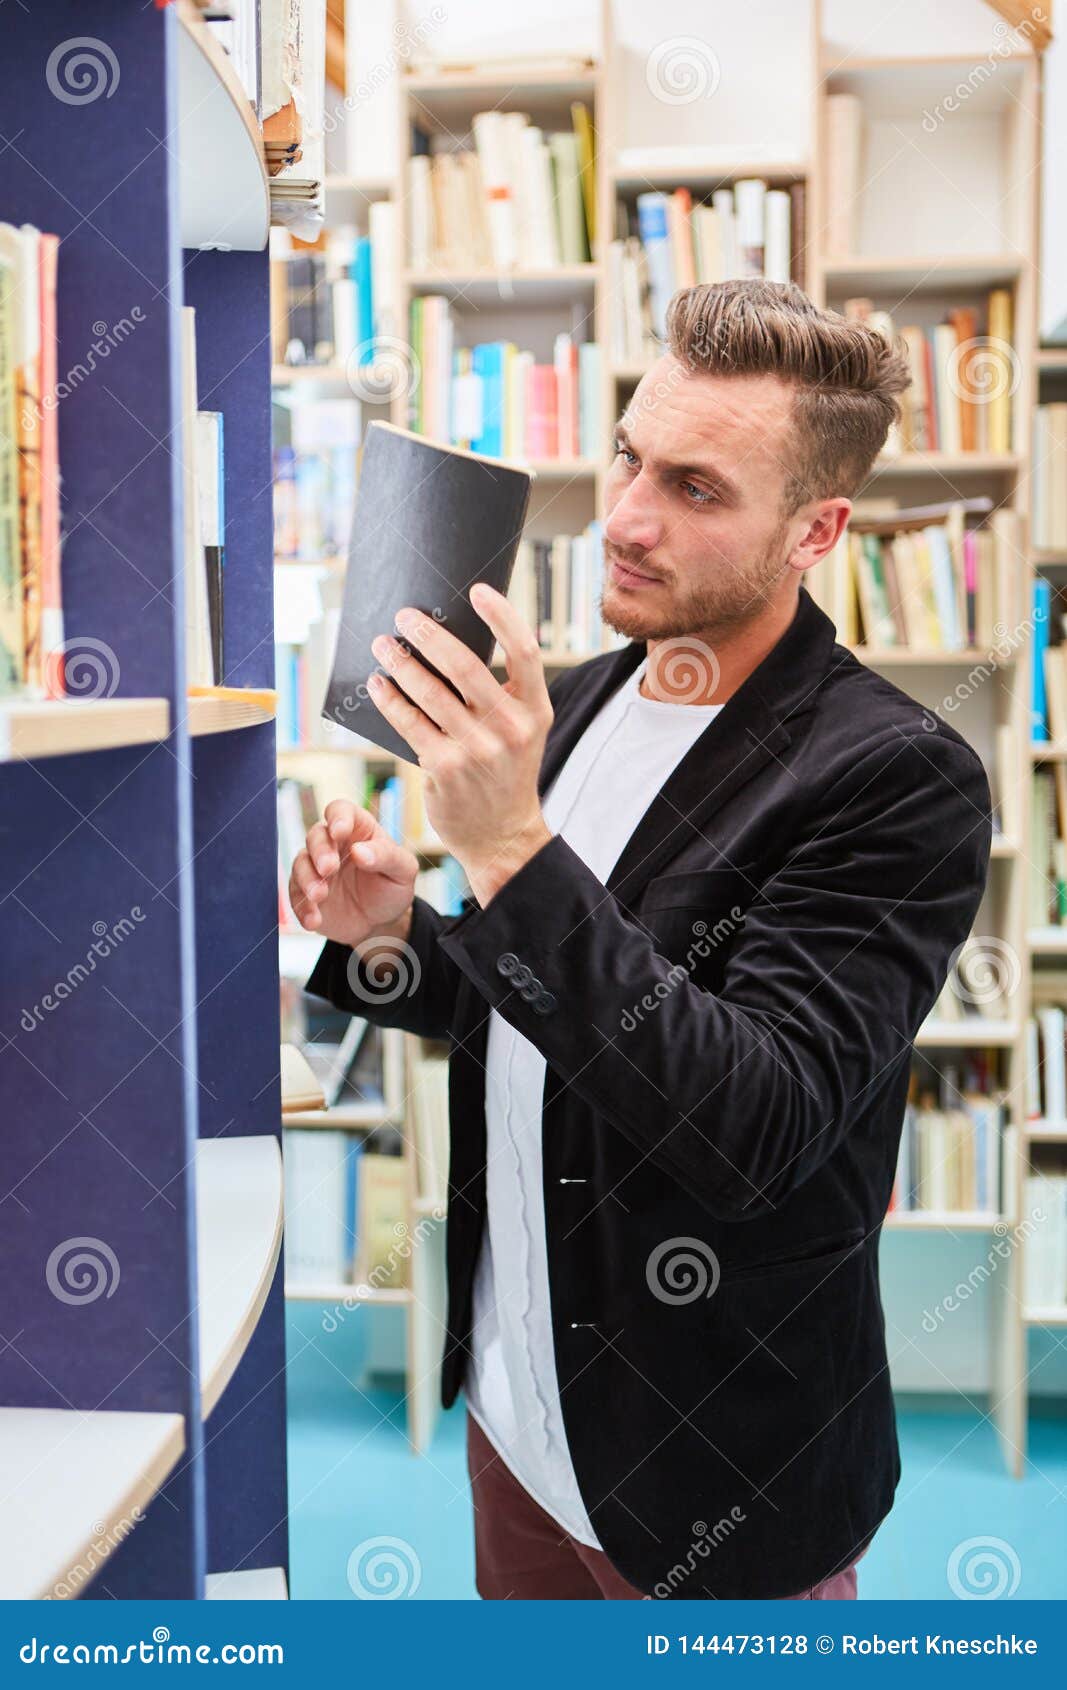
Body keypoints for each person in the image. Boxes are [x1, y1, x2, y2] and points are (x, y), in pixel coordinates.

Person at [292, 279, 992, 1600]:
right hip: (519, 1416)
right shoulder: (586, 697)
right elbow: (540, 1011)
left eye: (697, 487)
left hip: (711, 1479)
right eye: (626, 455)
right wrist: (387, 937)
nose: (623, 516)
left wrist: (505, 845)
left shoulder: (899, 777)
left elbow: (755, 1126)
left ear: (816, 529)